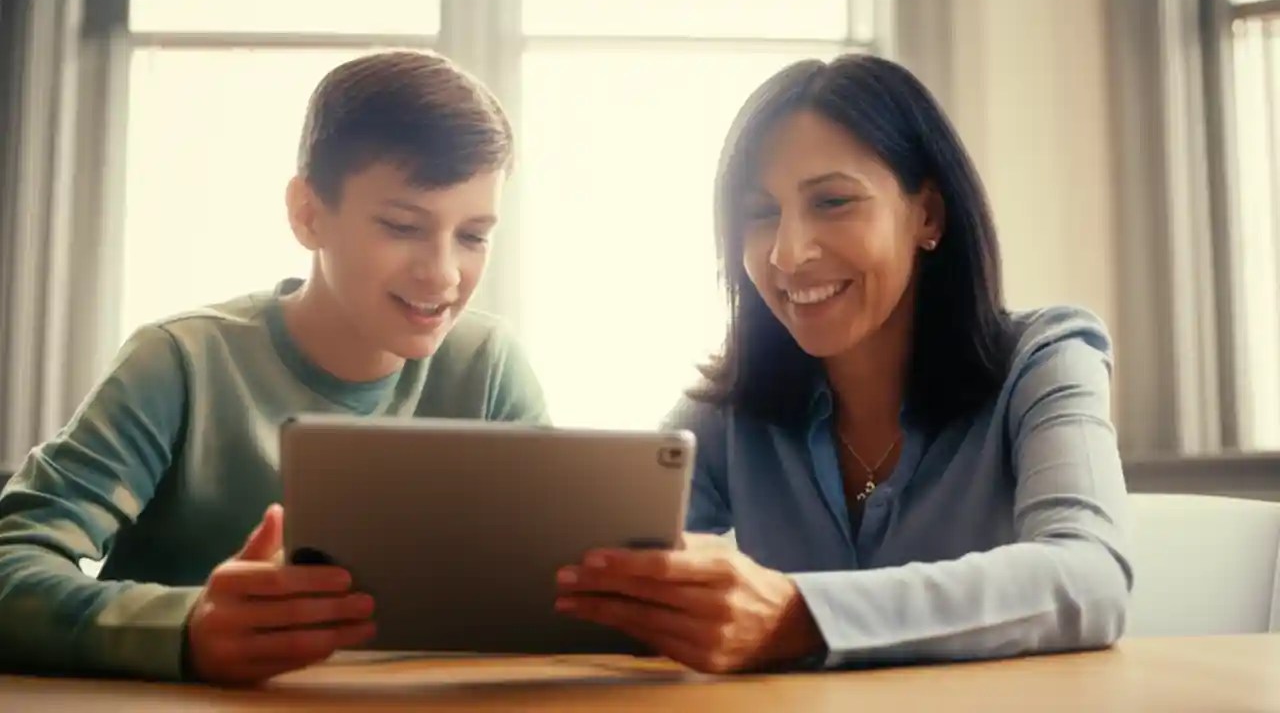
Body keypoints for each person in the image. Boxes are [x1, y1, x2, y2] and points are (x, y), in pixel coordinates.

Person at [554, 53, 1131, 673]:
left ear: (927, 215)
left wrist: (801, 615)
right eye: (760, 213)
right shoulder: (731, 407)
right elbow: (579, 574)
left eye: (832, 201)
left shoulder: (1045, 360)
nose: (788, 253)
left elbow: (1090, 577)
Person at [0, 50, 547, 684]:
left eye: (474, 236)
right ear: (308, 213)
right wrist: (185, 625)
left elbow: (546, 590)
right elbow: (10, 565)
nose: (445, 274)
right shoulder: (180, 361)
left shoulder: (489, 367)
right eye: (402, 226)